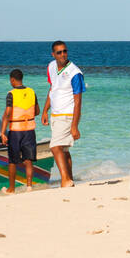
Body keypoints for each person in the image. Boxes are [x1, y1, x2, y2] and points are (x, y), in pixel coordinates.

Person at [42, 40, 84, 188]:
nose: (63, 54)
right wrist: (45, 110)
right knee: (64, 149)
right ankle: (70, 179)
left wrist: (75, 126)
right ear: (53, 54)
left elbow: (78, 101)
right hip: (55, 115)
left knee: (55, 147)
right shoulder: (51, 66)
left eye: (65, 51)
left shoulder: (75, 73)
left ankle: (65, 180)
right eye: (59, 52)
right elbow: (53, 88)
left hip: (67, 115)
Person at [0, 68, 40, 193]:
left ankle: (11, 189)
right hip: (29, 130)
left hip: (16, 130)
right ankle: (29, 186)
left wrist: (2, 132)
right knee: (28, 160)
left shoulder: (11, 94)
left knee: (13, 160)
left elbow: (7, 113)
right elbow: (37, 111)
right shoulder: (32, 92)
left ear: (12, 80)